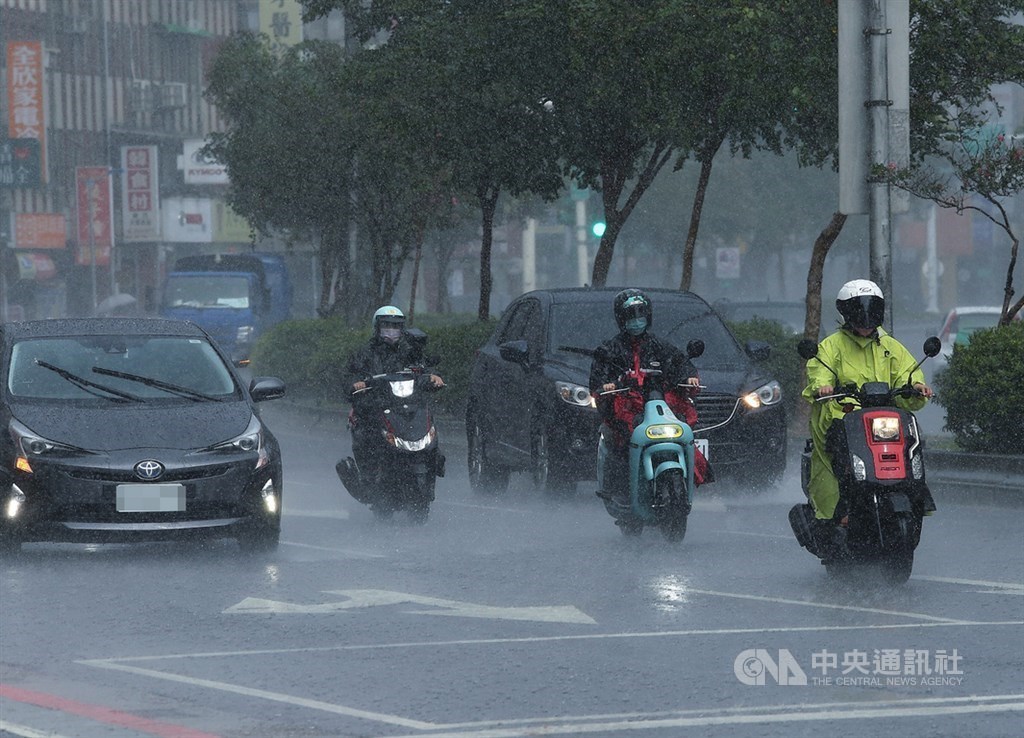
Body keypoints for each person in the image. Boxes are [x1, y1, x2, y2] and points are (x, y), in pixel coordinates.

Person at [802, 279, 934, 525]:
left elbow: (907, 371)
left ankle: (915, 493)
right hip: (845, 418)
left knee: (912, 444)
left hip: (884, 418)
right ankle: (844, 507)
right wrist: (824, 387)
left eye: (872, 310)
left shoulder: (889, 346)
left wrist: (916, 386)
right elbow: (819, 371)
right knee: (842, 454)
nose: (866, 319)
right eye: (859, 311)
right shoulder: (831, 346)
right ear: (846, 313)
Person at [588, 288, 708, 504]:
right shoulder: (610, 349)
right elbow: (598, 379)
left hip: (659, 406)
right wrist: (607, 385)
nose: (636, 321)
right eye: (630, 317)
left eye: (640, 315)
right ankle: (620, 488)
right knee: (622, 438)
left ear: (648, 316)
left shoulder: (659, 346)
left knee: (683, 426)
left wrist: (689, 377)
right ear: (620, 319)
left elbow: (680, 363)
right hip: (628, 408)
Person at [344, 306, 444, 493]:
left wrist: (433, 377)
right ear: (377, 327)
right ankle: (369, 477)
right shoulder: (366, 352)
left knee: (428, 424)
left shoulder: (411, 350)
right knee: (367, 431)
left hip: (408, 404)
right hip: (378, 404)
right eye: (387, 326)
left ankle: (434, 461)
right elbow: (351, 375)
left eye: (396, 327)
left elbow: (423, 367)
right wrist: (357, 384)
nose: (392, 331)